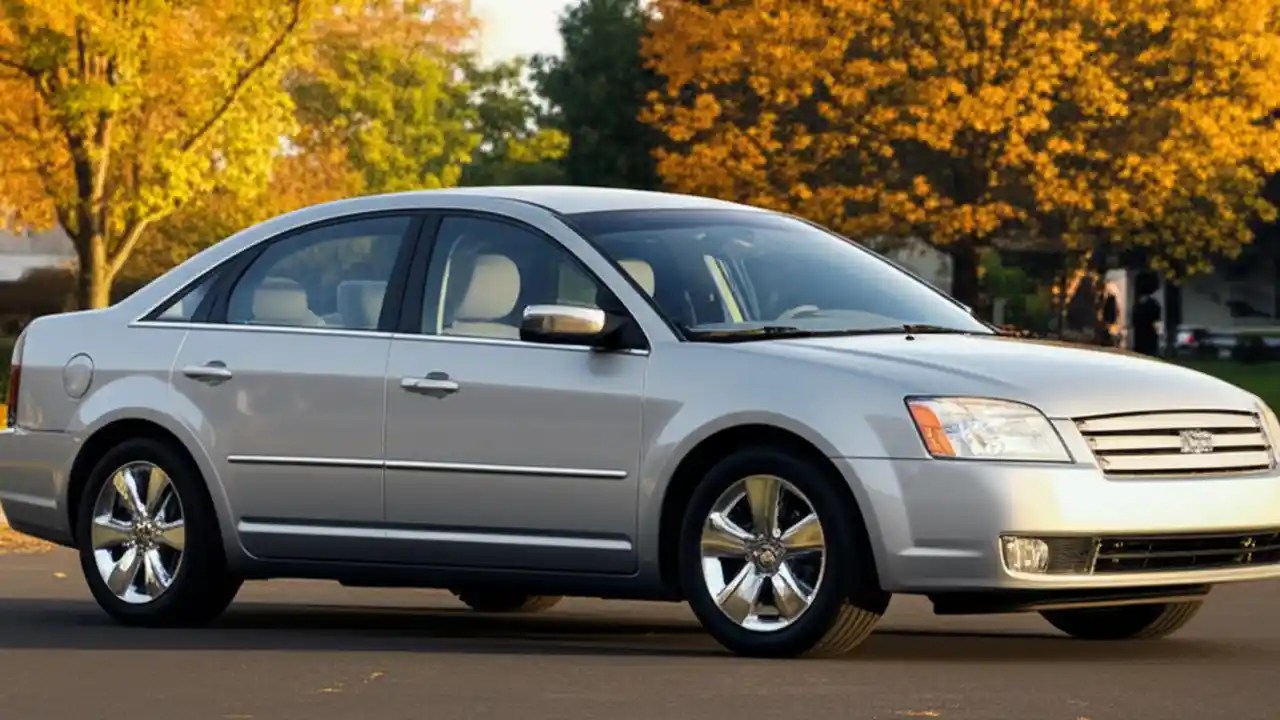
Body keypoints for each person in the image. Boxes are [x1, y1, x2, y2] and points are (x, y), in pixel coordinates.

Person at [1131, 271, 1162, 356]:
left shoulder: (1137, 305)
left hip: (1139, 341)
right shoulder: (1154, 304)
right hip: (1151, 342)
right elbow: (1157, 323)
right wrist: (1160, 333)